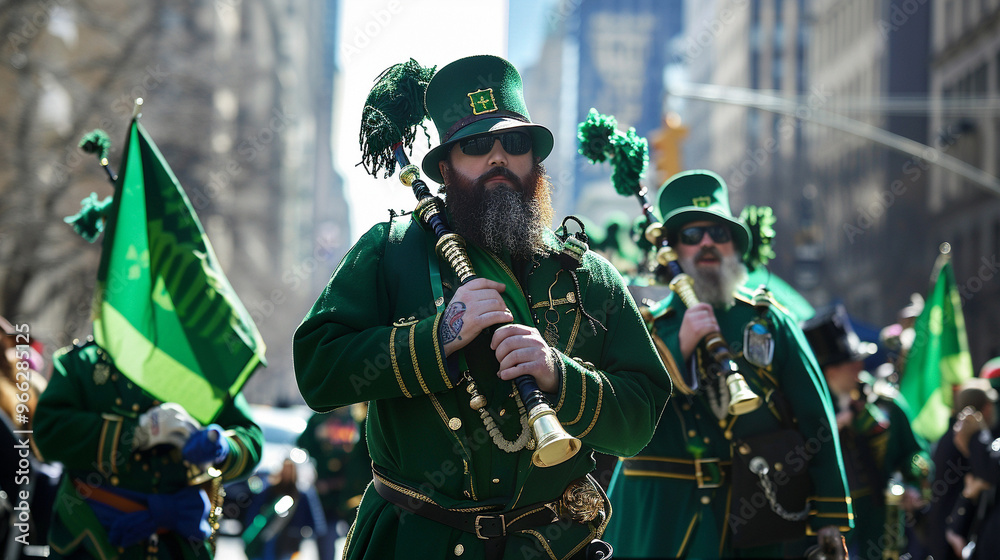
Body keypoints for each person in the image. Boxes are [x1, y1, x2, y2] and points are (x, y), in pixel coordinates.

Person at [293, 54, 671, 560]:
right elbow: (318, 370)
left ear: (533, 160)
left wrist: (561, 376)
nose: (498, 157)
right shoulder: (391, 251)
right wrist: (438, 336)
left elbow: (641, 413)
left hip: (549, 548)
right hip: (414, 543)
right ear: (446, 165)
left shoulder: (589, 274)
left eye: (514, 143)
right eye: (476, 145)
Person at [604, 169, 853, 558]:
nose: (707, 243)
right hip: (659, 518)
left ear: (734, 246)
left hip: (754, 516)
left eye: (718, 234)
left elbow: (815, 420)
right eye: (691, 236)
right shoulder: (642, 326)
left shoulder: (770, 321)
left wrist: (831, 515)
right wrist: (680, 345)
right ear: (671, 250)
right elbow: (622, 414)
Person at [33, 337, 263, 559]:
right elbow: (48, 431)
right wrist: (134, 433)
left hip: (176, 545)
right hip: (91, 539)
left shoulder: (204, 366)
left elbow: (250, 438)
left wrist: (221, 447)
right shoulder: (84, 360)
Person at [802, 304, 930, 560]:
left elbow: (916, 454)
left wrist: (911, 484)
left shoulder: (886, 404)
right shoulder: (805, 413)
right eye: (851, 363)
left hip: (883, 521)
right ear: (830, 372)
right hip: (828, 528)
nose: (860, 366)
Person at [243, 457, 327, 560]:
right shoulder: (271, 489)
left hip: (290, 540)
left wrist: (303, 531)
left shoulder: (303, 493)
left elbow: (315, 521)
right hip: (269, 536)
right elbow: (255, 511)